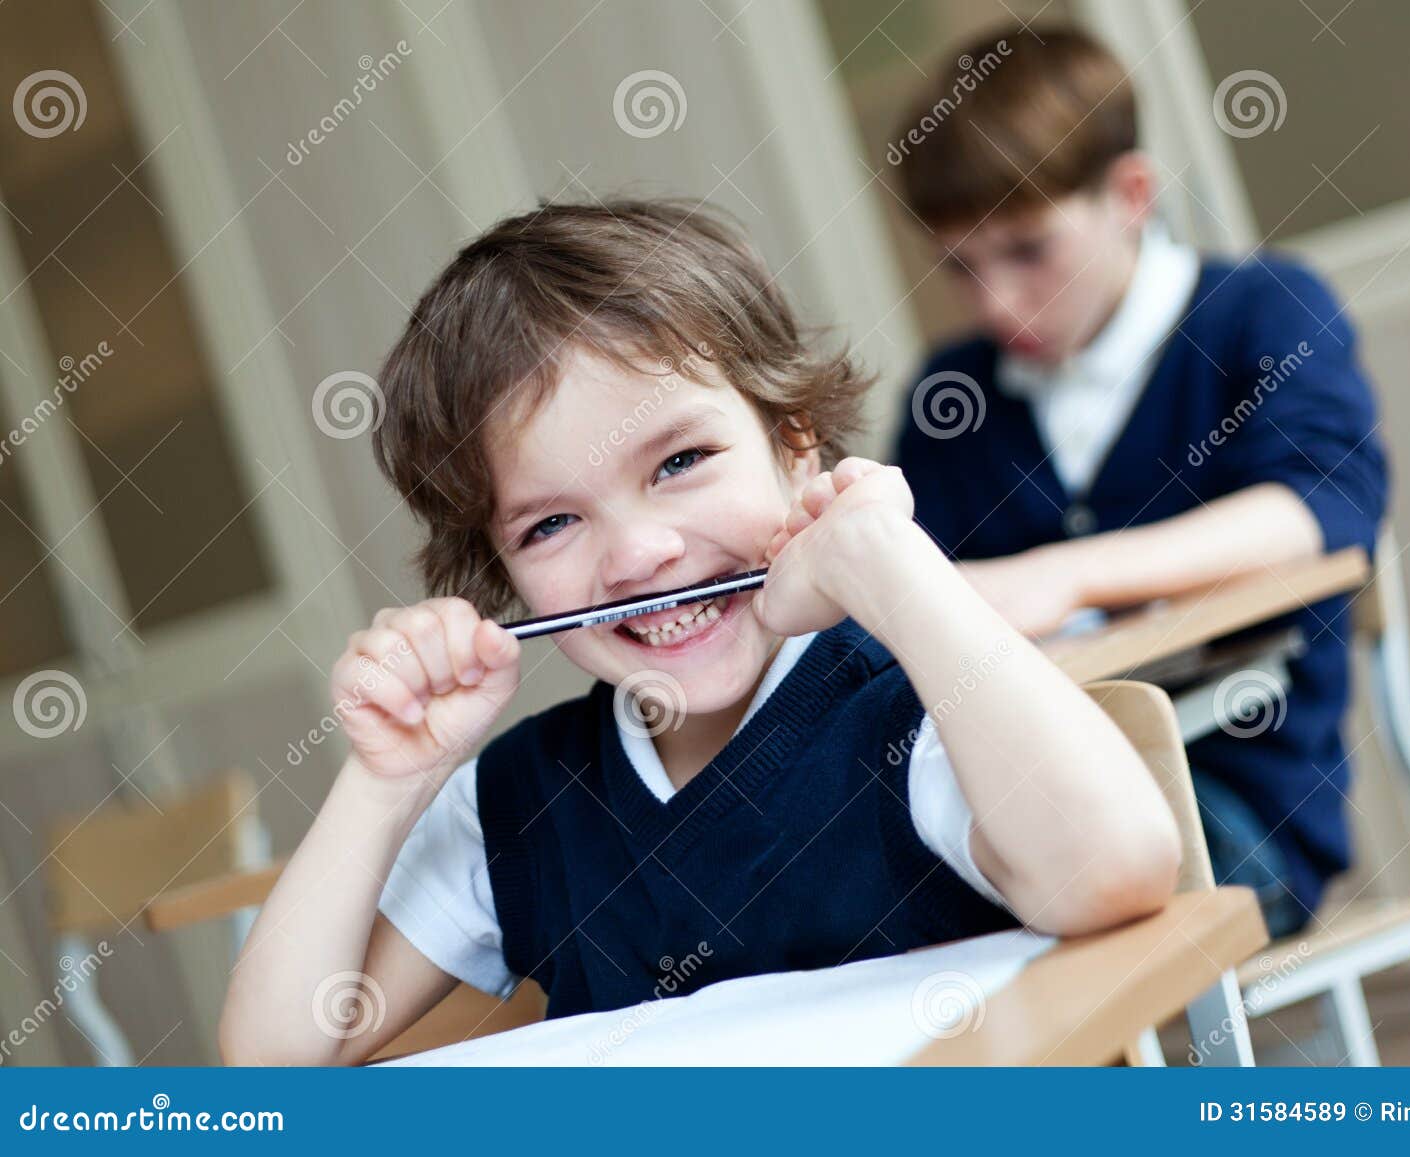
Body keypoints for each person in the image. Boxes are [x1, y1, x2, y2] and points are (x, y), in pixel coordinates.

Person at [217, 199, 1180, 1064]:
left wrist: (894, 569)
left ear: (795, 447)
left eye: (679, 461)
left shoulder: (919, 713)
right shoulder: (520, 804)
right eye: (550, 524)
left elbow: (1117, 868)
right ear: (504, 574)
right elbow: (272, 1057)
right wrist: (387, 780)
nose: (638, 555)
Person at [891, 26, 1387, 937]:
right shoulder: (951, 394)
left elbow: (1320, 506)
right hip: (1024, 802)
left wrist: (1067, 575)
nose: (997, 303)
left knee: (1015, 907)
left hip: (1229, 806)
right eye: (961, 267)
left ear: (1131, 194)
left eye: (1029, 250)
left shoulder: (1262, 312)